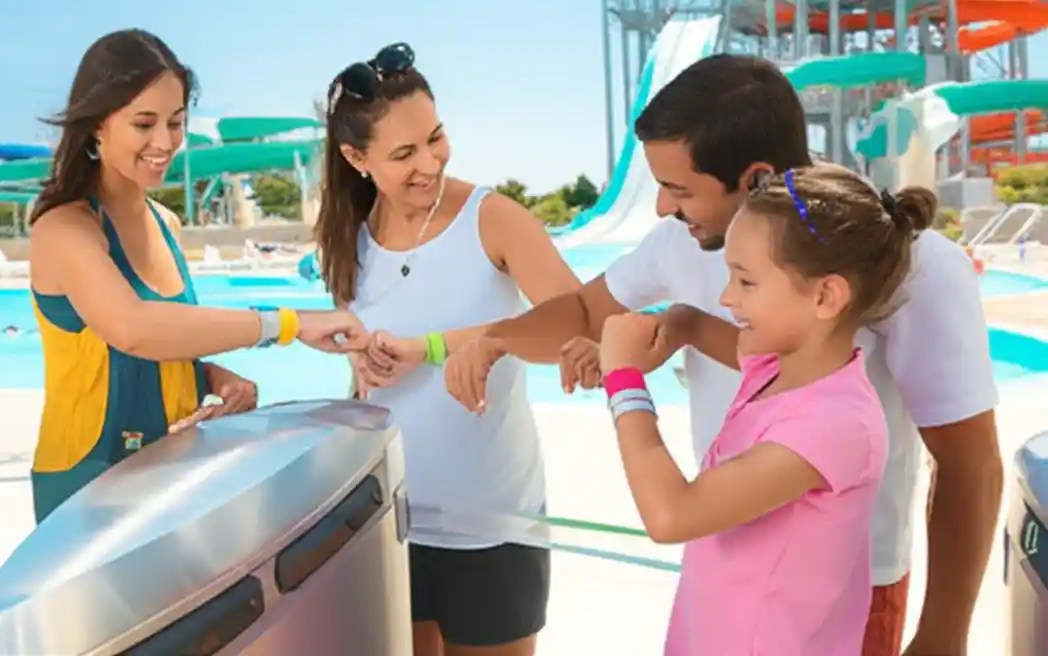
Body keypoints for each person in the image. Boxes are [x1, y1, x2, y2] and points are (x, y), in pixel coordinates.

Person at [445, 54, 1002, 655]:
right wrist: (496, 340)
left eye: (678, 190)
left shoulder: (912, 267)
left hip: (842, 599)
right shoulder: (684, 241)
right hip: (728, 577)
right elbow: (587, 312)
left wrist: (943, 635)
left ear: (754, 175)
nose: (661, 208)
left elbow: (969, 465)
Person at [26, 29, 364, 523]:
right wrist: (288, 323)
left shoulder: (167, 225)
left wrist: (211, 377)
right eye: (144, 123)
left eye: (176, 122)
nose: (164, 142)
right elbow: (133, 329)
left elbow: (163, 342)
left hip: (167, 474)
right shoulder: (64, 228)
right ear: (97, 125)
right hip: (86, 488)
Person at [601, 165, 943, 652]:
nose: (726, 297)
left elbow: (671, 515)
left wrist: (624, 380)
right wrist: (668, 325)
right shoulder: (776, 367)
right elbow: (699, 326)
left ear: (825, 296)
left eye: (745, 281)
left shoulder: (835, 425)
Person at [315, 42, 582, 656]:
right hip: (390, 523)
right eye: (404, 153)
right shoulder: (348, 240)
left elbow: (575, 326)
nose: (429, 163)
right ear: (356, 158)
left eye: (435, 138)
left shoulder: (494, 219)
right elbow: (362, 380)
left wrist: (434, 347)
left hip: (493, 525)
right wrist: (361, 361)